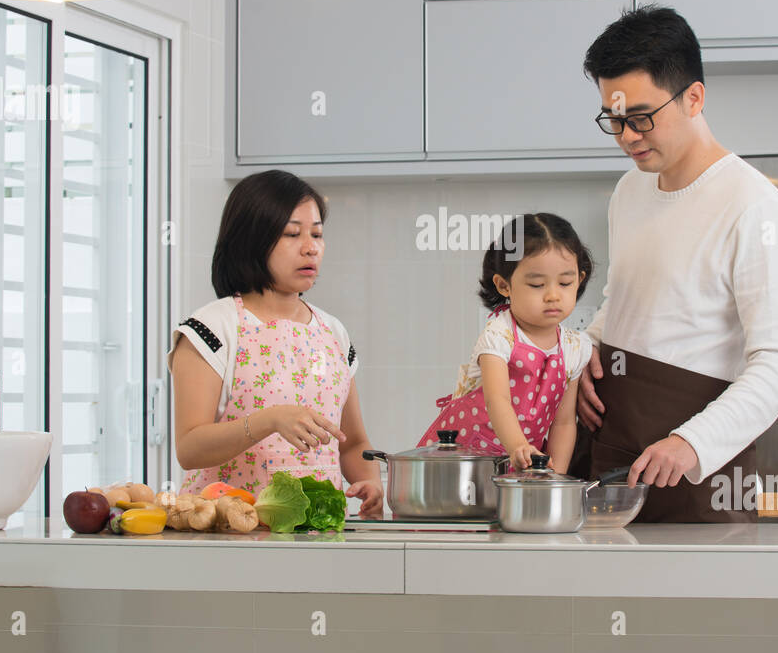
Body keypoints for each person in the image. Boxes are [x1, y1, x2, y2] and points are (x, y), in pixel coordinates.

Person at [576, 4, 778, 522]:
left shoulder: (753, 205)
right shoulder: (629, 190)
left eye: (640, 117)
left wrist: (690, 442)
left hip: (699, 477)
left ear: (694, 97)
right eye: (613, 120)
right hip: (613, 451)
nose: (626, 137)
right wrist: (586, 352)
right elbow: (625, 299)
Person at [169, 170, 383, 517]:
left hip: (318, 535)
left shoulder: (333, 332)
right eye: (292, 234)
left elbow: (353, 444)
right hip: (229, 532)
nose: (311, 247)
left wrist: (371, 482)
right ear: (251, 239)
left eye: (317, 234)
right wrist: (268, 421)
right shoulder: (212, 328)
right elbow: (189, 448)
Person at [416, 213, 594, 474]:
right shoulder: (499, 336)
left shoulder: (575, 347)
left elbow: (564, 423)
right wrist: (519, 446)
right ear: (504, 285)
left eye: (565, 282)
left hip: (519, 464)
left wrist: (555, 480)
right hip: (462, 462)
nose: (553, 295)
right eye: (537, 284)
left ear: (579, 279)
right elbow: (497, 400)